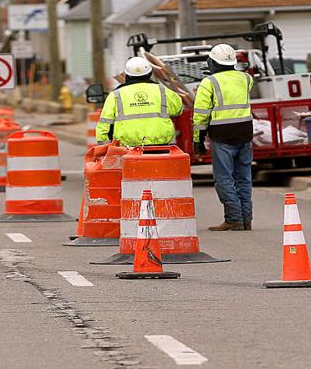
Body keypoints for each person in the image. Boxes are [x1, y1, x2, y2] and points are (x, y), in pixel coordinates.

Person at [193, 43, 255, 231]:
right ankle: (246, 219)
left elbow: (201, 113)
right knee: (244, 177)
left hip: (222, 135)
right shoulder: (246, 78)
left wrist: (198, 138)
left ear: (212, 62)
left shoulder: (209, 82)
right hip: (245, 132)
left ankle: (233, 218)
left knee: (224, 178)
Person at [96, 56, 183, 148]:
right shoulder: (162, 90)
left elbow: (104, 125)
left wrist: (104, 148)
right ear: (150, 73)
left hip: (127, 149)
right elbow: (177, 110)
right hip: (159, 146)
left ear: (127, 75)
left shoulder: (115, 95)